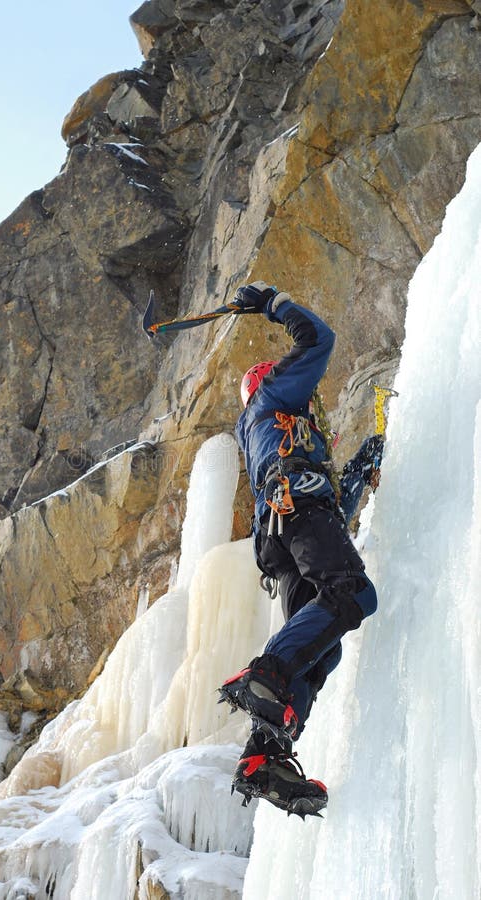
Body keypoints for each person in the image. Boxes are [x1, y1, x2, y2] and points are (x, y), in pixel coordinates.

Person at [217, 282, 382, 818]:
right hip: (300, 511)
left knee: (320, 651)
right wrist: (272, 302)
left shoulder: (279, 432)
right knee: (351, 593)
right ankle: (266, 672)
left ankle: (264, 756)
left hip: (288, 529)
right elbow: (317, 338)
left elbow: (337, 498)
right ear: (269, 381)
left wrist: (365, 460)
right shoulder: (273, 400)